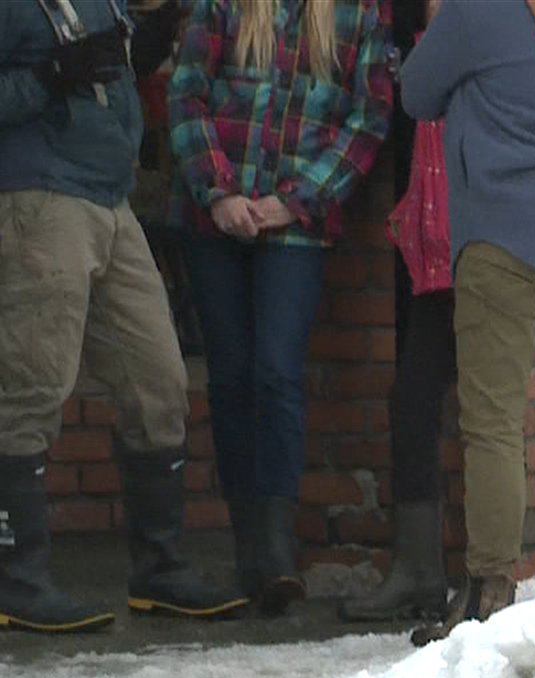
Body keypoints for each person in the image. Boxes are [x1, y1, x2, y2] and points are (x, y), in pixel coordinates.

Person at [0, 0, 245, 633]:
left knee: (158, 380)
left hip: (111, 199)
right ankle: (16, 580)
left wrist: (146, 43)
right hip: (38, 196)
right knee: (31, 386)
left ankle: (159, 571)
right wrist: (49, 76)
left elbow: (105, 72)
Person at [400, 0, 535, 638]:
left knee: (495, 421)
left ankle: (490, 593)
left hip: (503, 239)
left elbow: (416, 92)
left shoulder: (477, 10)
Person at [167, 0, 392, 615]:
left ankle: (275, 551)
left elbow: (368, 120)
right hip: (215, 218)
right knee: (231, 376)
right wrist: (218, 192)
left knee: (277, 372)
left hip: (296, 226)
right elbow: (186, 93)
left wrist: (298, 201)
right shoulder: (224, 5)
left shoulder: (357, 14)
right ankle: (250, 547)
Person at [339, 0, 454, 623]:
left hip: (467, 234)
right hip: (427, 233)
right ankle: (423, 571)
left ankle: (451, 573)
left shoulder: (470, 21)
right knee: (415, 396)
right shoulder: (399, 21)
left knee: (446, 400)